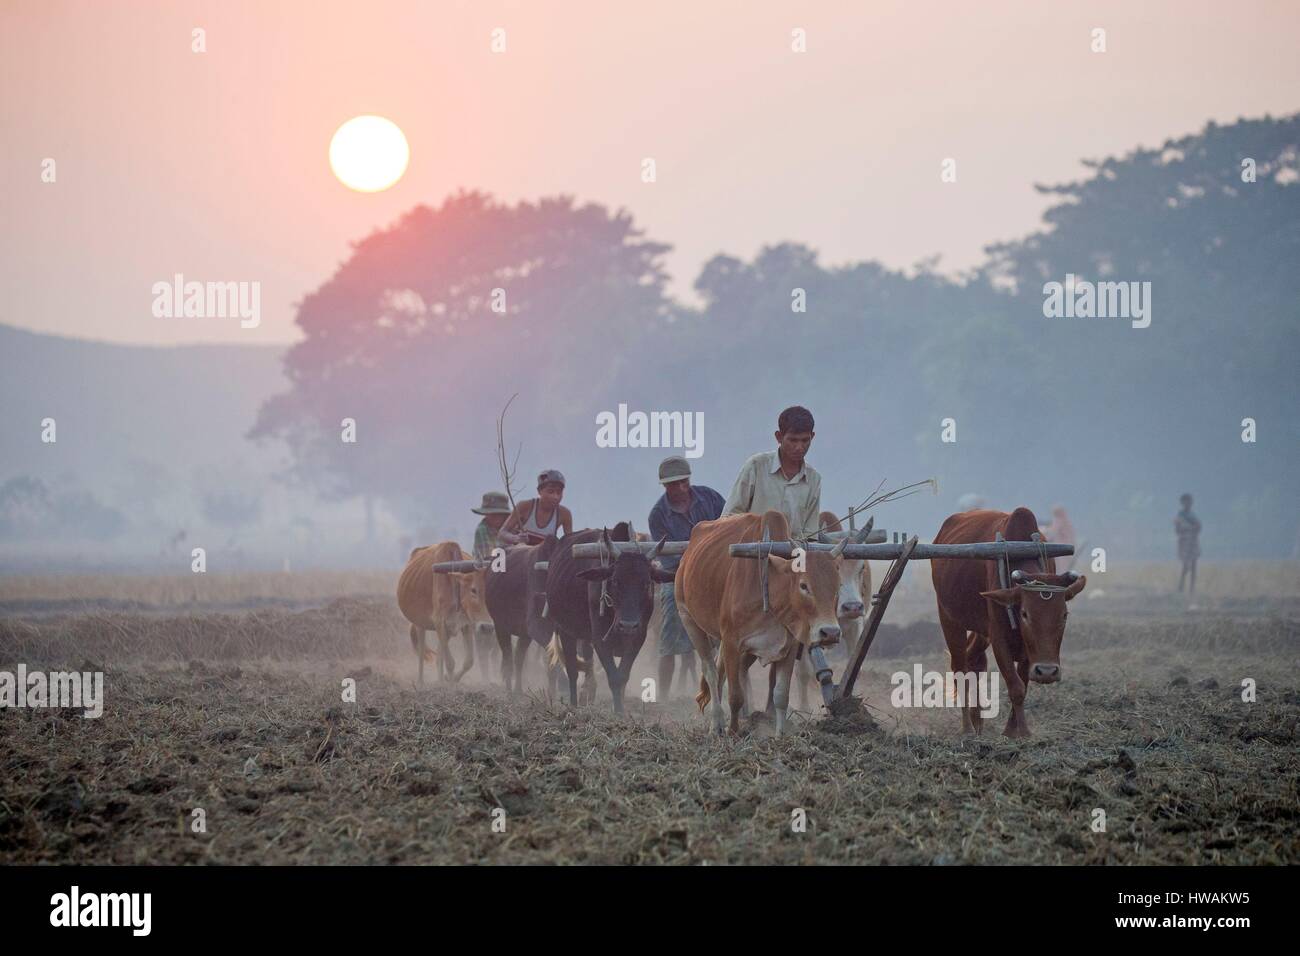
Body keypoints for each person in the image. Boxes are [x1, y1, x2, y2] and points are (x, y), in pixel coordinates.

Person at [647, 455, 725, 700]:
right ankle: (663, 697)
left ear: (689, 479)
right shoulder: (658, 514)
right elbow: (667, 557)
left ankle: (730, 691)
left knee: (731, 627)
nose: (680, 488)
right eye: (673, 484)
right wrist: (694, 567)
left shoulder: (710, 498)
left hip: (718, 571)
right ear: (664, 486)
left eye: (683, 482)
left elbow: (731, 525)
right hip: (679, 576)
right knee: (670, 623)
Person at [724, 405, 822, 539]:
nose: (799, 447)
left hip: (793, 555)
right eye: (793, 440)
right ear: (779, 437)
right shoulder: (756, 466)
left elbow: (810, 534)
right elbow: (730, 517)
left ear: (813, 437)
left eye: (805, 440)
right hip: (752, 552)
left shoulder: (814, 479)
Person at [498, 469, 574, 546]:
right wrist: (516, 538)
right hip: (521, 553)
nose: (555, 497)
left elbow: (569, 543)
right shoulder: (524, 506)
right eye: (550, 491)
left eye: (559, 492)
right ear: (539, 491)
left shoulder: (564, 514)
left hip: (545, 556)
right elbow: (502, 533)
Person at [471, 491, 512, 560]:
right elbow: (488, 559)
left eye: (495, 515)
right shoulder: (482, 529)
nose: (490, 517)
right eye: (488, 514)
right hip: (490, 567)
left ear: (505, 515)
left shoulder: (514, 527)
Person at [1175, 493, 1201, 595]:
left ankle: (1191, 589)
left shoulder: (1192, 514)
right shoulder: (1180, 515)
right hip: (1185, 542)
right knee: (1186, 566)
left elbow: (1199, 528)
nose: (1188, 503)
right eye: (1186, 501)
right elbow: (1177, 530)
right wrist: (1189, 529)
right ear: (1182, 503)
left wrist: (1194, 529)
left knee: (1194, 565)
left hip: (1193, 541)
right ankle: (1181, 587)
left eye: (1189, 501)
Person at [1039, 504, 1076, 573]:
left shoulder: (1059, 521)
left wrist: (1042, 533)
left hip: (1061, 548)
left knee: (1060, 568)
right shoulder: (1067, 521)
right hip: (1068, 548)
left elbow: (1051, 534)